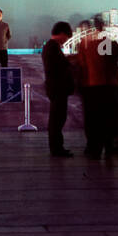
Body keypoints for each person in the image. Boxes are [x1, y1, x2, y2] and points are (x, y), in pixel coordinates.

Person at [79, 15, 118, 158]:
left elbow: (81, 64)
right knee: (110, 117)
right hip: (109, 85)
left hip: (91, 85)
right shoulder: (109, 42)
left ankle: (93, 147)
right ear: (104, 26)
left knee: (92, 118)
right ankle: (110, 145)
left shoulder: (85, 43)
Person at [41, 21, 75, 157]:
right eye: (66, 37)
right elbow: (57, 67)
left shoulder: (50, 46)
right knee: (57, 119)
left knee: (58, 118)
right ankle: (57, 148)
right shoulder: (52, 47)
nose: (66, 41)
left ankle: (58, 147)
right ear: (61, 34)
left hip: (55, 88)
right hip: (57, 88)